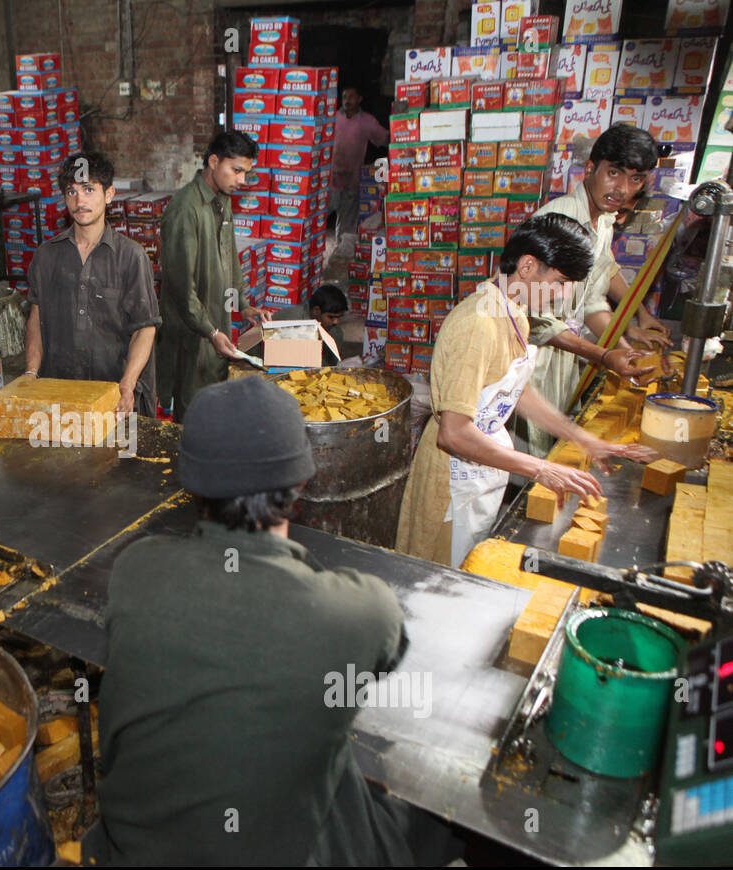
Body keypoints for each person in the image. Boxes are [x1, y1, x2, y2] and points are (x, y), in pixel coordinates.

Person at [86, 375, 455, 865]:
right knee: (426, 819)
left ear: (190, 484)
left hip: (132, 848)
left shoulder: (136, 568)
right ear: (302, 482)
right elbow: (385, 644)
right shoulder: (359, 611)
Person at [395, 214, 656, 567]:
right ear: (528, 266)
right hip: (450, 483)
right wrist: (539, 469)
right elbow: (453, 434)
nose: (564, 295)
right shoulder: (477, 326)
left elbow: (515, 391)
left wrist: (583, 439)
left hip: (482, 467)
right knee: (438, 578)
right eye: (561, 282)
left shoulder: (513, 311)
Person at [519, 125, 668, 457]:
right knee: (529, 459)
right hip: (531, 358)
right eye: (613, 173)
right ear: (591, 168)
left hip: (567, 354)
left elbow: (593, 299)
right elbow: (532, 317)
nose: (621, 189)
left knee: (555, 451)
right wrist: (604, 355)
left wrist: (626, 349)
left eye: (635, 180)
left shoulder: (602, 220)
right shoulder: (558, 223)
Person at [24, 152, 161, 416]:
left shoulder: (131, 257)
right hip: (62, 394)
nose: (79, 200)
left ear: (109, 194)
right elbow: (36, 317)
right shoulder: (46, 256)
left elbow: (145, 328)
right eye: (71, 191)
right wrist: (31, 372)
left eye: (88, 189)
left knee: (121, 458)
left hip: (114, 394)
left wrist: (128, 383)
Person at [157, 130, 271, 421]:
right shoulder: (185, 209)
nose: (242, 180)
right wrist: (211, 332)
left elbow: (229, 256)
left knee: (213, 405)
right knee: (191, 410)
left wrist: (243, 304)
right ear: (213, 161)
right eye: (236, 171)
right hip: (190, 333)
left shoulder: (223, 200)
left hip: (215, 327)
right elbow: (182, 290)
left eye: (246, 172)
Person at [331, 87, 388, 247]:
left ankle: (341, 251)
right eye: (344, 97)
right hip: (330, 177)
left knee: (347, 220)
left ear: (359, 99)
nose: (347, 100)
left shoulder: (366, 121)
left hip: (352, 178)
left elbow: (383, 137)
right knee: (321, 213)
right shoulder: (334, 117)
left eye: (351, 97)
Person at [269, 283, 348, 366]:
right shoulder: (292, 321)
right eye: (331, 317)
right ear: (316, 311)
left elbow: (328, 366)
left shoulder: (335, 333)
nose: (336, 322)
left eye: (339, 317)